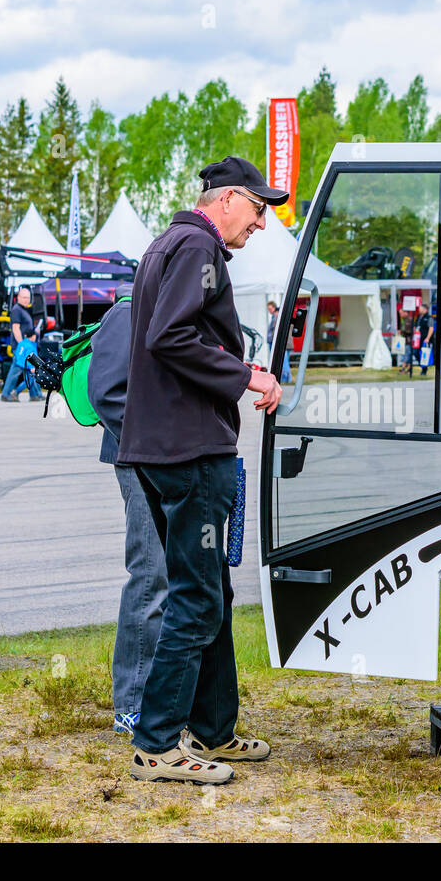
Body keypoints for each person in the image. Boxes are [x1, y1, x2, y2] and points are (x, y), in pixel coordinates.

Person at [117, 155, 285, 785]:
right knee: (196, 597)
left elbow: (163, 338)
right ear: (228, 198)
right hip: (191, 454)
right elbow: (169, 335)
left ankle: (212, 730)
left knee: (208, 588)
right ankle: (158, 742)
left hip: (161, 449)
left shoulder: (166, 244)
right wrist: (247, 375)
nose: (262, 224)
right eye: (259, 209)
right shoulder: (198, 247)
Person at [85, 289, 166, 737]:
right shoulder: (128, 311)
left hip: (172, 461)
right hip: (138, 461)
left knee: (173, 579)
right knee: (151, 576)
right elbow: (107, 393)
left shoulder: (174, 307)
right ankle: (131, 703)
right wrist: (154, 442)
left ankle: (163, 694)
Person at [1, 287, 43, 402]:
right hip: (21, 347)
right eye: (24, 297)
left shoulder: (24, 310)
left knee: (29, 370)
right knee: (16, 371)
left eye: (28, 298)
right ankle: (6, 394)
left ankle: (35, 395)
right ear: (18, 297)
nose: (26, 300)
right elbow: (16, 328)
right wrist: (22, 345)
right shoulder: (17, 310)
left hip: (26, 346)